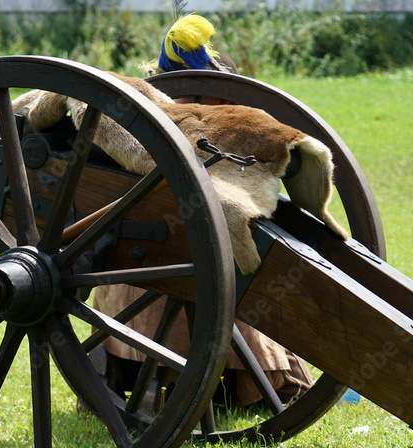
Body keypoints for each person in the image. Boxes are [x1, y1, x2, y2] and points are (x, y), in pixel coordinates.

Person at [89, 14, 314, 411]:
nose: (186, 107)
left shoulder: (239, 142)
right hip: (143, 253)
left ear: (227, 104)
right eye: (180, 95)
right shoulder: (135, 130)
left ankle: (238, 382)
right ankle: (140, 379)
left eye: (200, 99)